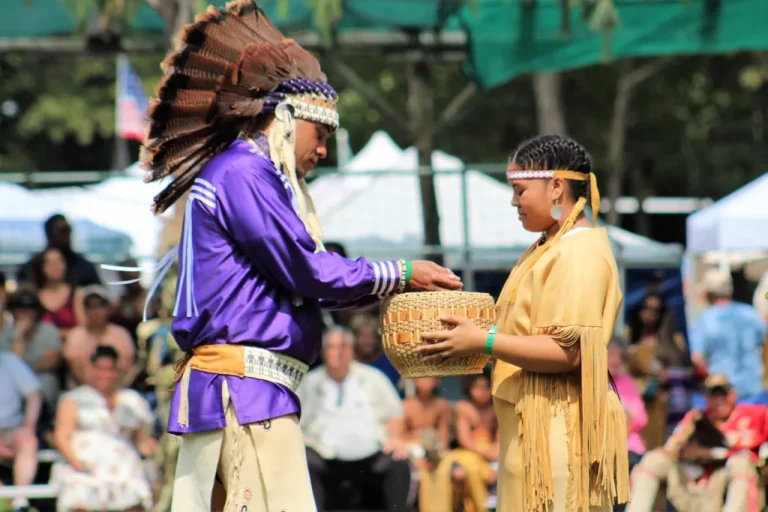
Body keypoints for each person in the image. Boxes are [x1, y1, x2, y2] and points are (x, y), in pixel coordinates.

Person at [136, 3, 461, 511]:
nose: (324, 150)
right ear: (287, 119)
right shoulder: (244, 173)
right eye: (323, 134)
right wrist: (399, 272)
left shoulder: (243, 174)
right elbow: (307, 270)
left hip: (243, 391)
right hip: (240, 393)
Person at [417, 134, 629, 511]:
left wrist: (482, 341)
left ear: (557, 186)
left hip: (561, 440)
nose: (513, 201)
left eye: (519, 189)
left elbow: (569, 352)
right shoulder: (547, 248)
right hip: (531, 435)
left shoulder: (579, 251)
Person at [299, 327, 411, 512]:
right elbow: (298, 423)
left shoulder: (373, 377)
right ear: (324, 352)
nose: (339, 352)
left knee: (398, 462)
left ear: (351, 349)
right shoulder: (310, 382)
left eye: (343, 346)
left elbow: (394, 415)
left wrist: (397, 439)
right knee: (305, 461)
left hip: (372, 456)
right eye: (332, 347)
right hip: (325, 457)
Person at [627, 374, 768, 512]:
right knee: (654, 459)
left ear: (733, 394)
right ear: (706, 398)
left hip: (731, 482)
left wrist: (715, 453)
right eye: (713, 394)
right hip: (694, 484)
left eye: (723, 393)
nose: (719, 399)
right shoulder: (696, 418)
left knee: (740, 462)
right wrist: (686, 450)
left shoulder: (756, 414)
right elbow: (671, 449)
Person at [50, 345, 155, 512]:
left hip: (123, 463)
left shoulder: (131, 400)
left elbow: (142, 441)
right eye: (99, 369)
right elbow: (62, 436)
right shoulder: (74, 399)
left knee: (135, 488)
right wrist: (77, 463)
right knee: (79, 490)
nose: (105, 375)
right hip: (84, 462)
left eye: (110, 369)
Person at [689, 269, 767, 404]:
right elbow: (763, 342)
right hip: (754, 393)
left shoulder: (703, 321)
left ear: (708, 293)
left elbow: (697, 359)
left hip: (722, 397)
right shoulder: (751, 314)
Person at [17, 214, 101, 288]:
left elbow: (99, 294)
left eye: (68, 230)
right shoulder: (31, 268)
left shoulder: (84, 267)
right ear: (48, 233)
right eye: (62, 231)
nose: (67, 235)